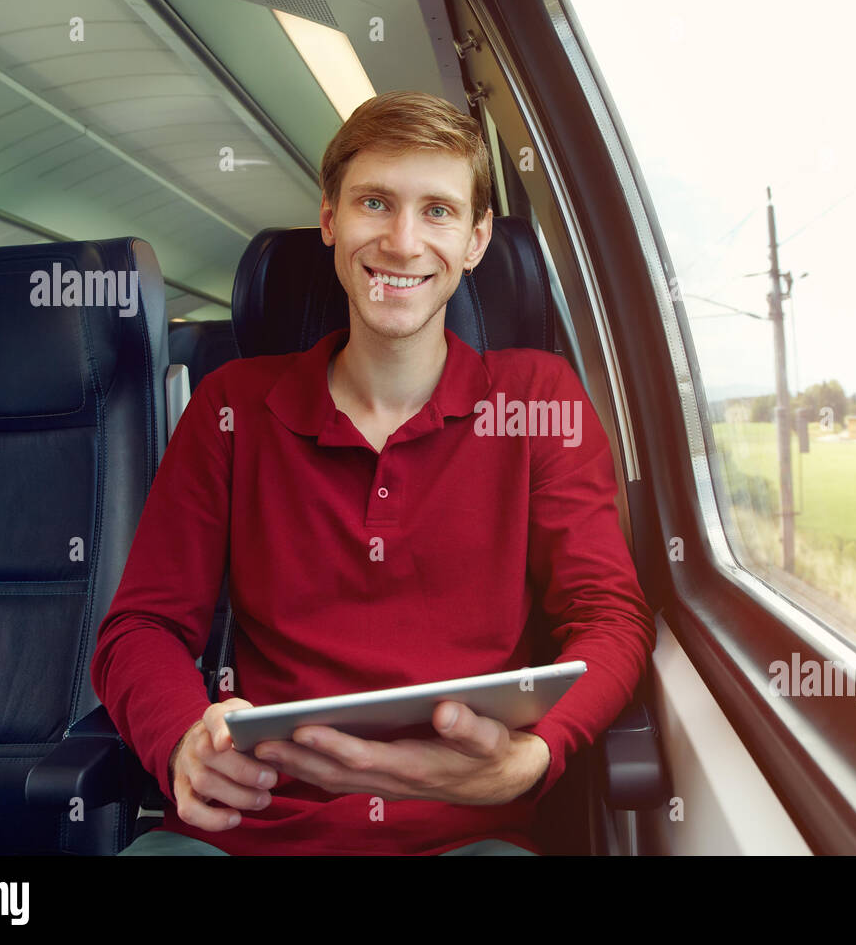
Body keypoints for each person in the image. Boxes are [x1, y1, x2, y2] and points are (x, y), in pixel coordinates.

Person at [92, 90, 655, 855]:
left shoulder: (539, 399)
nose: (401, 241)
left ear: (476, 239)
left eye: (438, 212)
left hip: (464, 833)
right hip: (246, 831)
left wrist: (536, 756)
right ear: (331, 219)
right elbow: (142, 626)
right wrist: (181, 740)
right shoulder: (231, 407)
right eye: (375, 203)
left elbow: (609, 616)